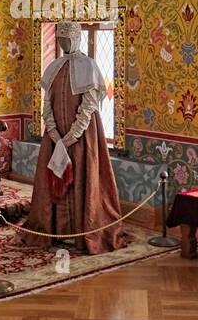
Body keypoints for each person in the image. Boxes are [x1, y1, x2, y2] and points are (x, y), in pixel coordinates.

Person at [23, 21, 127, 254]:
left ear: (77, 39)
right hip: (55, 136)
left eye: (67, 40)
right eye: (60, 40)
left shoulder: (88, 66)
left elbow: (88, 106)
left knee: (83, 177)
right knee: (53, 180)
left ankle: (83, 231)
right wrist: (52, 131)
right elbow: (46, 104)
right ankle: (54, 229)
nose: (63, 44)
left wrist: (70, 137)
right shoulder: (55, 66)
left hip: (82, 137)